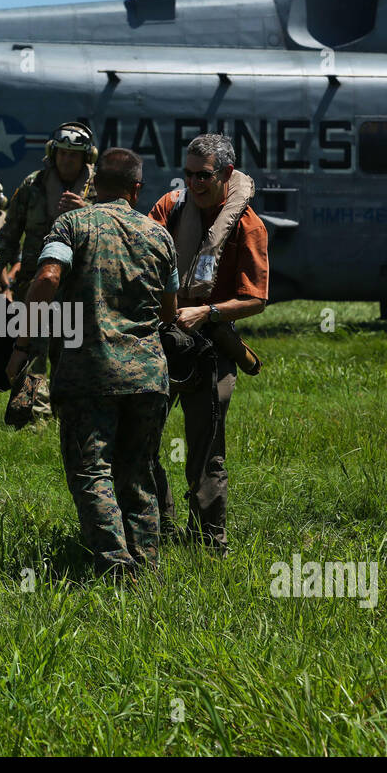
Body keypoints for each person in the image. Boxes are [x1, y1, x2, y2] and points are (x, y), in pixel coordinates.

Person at [7, 147, 176, 577]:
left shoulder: (72, 224)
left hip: (90, 374)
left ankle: (116, 567)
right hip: (149, 376)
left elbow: (46, 278)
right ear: (136, 189)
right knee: (137, 475)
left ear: (93, 184)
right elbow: (171, 312)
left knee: (91, 471)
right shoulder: (160, 236)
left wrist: (24, 346)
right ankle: (147, 570)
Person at [149, 133, 269, 553]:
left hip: (211, 346)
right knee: (141, 437)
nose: (195, 183)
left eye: (205, 175)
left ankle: (207, 542)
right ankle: (156, 526)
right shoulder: (169, 207)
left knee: (206, 451)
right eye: (189, 174)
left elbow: (255, 299)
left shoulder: (249, 225)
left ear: (227, 174)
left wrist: (208, 312)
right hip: (160, 341)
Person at [0, 121, 97, 426]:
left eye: (74, 156)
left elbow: (115, 231)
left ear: (85, 158)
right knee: (31, 350)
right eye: (62, 154)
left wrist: (87, 211)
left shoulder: (98, 191)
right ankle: (33, 419)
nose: (67, 160)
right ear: (53, 154)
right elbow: (10, 233)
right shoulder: (32, 186)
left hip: (78, 288)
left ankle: (68, 417)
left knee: (70, 355)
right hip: (35, 285)